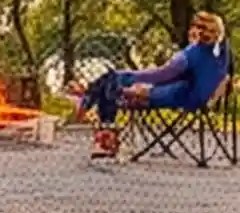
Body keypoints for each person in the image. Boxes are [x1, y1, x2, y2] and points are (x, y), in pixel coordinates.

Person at [70, 11, 230, 158]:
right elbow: (222, 77)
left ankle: (96, 120)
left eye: (195, 28)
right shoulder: (221, 51)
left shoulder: (192, 54)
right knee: (112, 82)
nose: (191, 31)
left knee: (113, 83)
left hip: (180, 95)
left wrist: (135, 80)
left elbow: (159, 75)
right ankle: (92, 104)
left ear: (201, 32)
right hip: (190, 94)